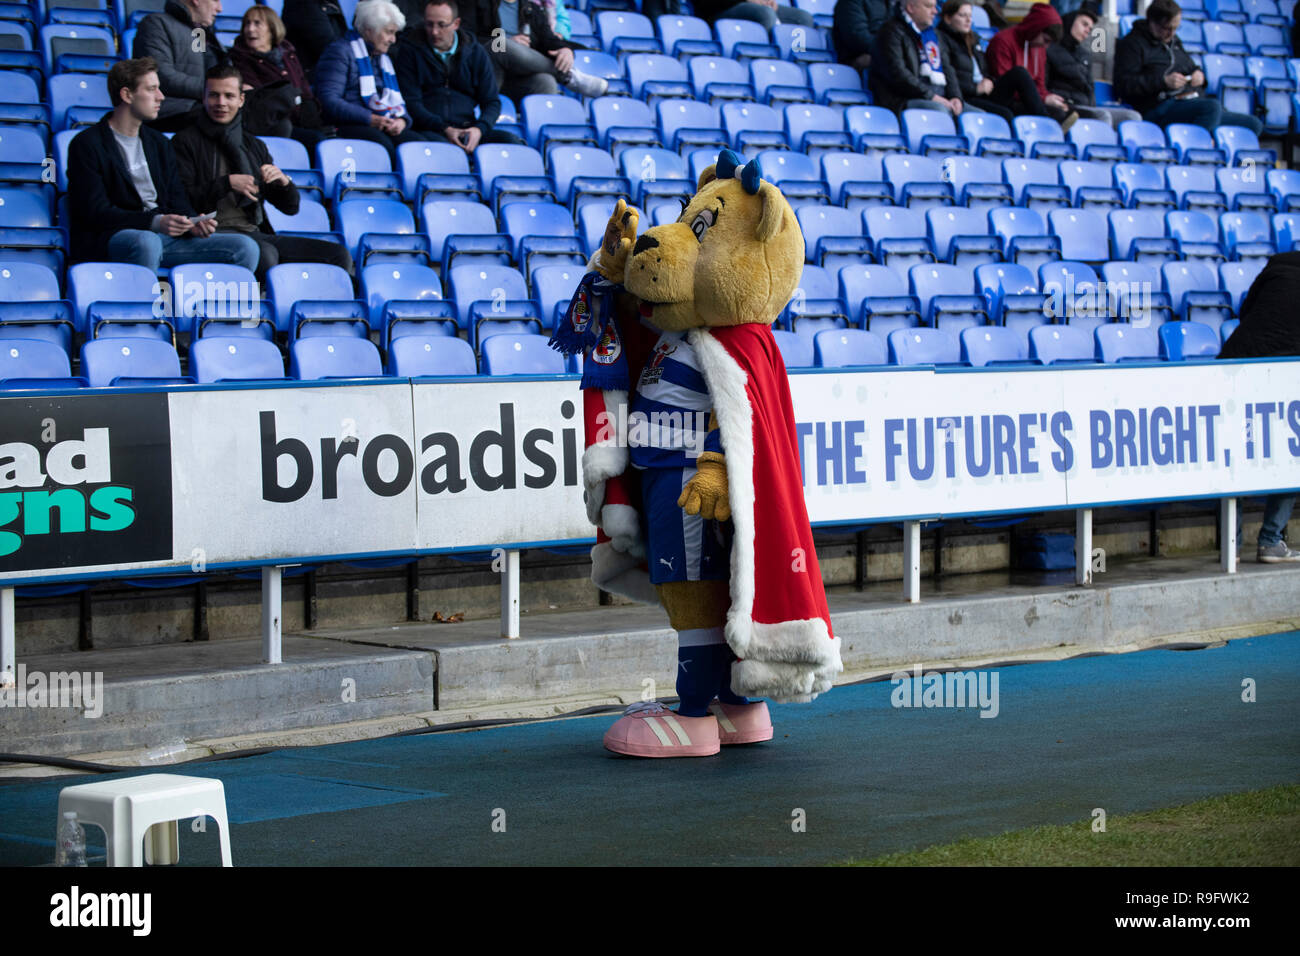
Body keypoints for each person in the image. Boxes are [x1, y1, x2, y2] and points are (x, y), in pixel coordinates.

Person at [66, 58, 260, 273]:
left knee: (245, 247)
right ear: (127, 95)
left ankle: (215, 307)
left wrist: (192, 223)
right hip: (112, 237)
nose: (161, 96)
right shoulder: (87, 144)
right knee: (147, 242)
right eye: (152, 89)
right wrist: (154, 222)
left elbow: (177, 198)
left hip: (162, 238)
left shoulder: (158, 143)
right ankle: (144, 306)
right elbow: (95, 212)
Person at [172, 65, 355, 283]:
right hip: (211, 234)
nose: (221, 102)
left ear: (241, 100)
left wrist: (283, 183)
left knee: (337, 255)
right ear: (203, 98)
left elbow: (290, 207)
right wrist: (227, 183)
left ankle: (323, 315)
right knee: (266, 254)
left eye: (228, 96)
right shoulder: (184, 141)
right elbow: (180, 199)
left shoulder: (253, 145)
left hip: (254, 232)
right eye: (214, 95)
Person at [1218, 252, 1299, 562]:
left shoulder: (1278, 265)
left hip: (1236, 365)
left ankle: (1231, 545)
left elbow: (1245, 311)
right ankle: (1269, 540)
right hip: (1284, 373)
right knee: (1291, 456)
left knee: (1231, 456)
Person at [1113, 0, 1264, 135]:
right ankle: (1197, 147)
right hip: (1158, 107)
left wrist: (1199, 75)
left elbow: (1190, 67)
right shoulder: (1131, 44)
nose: (1171, 33)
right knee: (1211, 108)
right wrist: (1163, 81)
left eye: (1175, 28)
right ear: (1152, 22)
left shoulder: (1174, 42)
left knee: (1253, 124)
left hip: (1189, 101)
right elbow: (1124, 85)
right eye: (1167, 28)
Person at [394, 0, 524, 151]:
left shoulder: (476, 52)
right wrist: (445, 129)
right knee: (443, 149)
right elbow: (412, 103)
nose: (434, 31)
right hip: (429, 130)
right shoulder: (409, 51)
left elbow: (491, 102)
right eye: (429, 24)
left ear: (456, 24)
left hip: (467, 128)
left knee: (511, 142)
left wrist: (479, 129)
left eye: (441, 25)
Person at [314, 0, 431, 163]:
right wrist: (370, 119)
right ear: (369, 30)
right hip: (348, 124)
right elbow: (329, 100)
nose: (393, 40)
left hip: (382, 123)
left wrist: (402, 120)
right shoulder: (340, 52)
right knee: (382, 147)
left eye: (395, 33)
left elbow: (397, 102)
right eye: (389, 32)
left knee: (417, 145)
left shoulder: (383, 59)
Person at [229, 3, 333, 150]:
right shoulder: (239, 58)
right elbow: (260, 99)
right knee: (316, 140)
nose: (250, 29)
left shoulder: (288, 54)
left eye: (257, 23)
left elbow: (304, 90)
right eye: (247, 24)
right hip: (274, 125)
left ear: (272, 28)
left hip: (298, 120)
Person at [459, 0, 608, 101]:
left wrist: (565, 49)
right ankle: (567, 76)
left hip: (514, 79)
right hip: (486, 72)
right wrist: (505, 42)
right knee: (503, 45)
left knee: (546, 81)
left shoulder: (531, 9)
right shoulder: (475, 3)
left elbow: (549, 40)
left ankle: (539, 142)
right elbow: (466, 38)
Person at [132, 0, 228, 132]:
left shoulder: (200, 33)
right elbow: (161, 77)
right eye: (215, 0)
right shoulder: (156, 24)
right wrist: (215, 90)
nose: (220, 8)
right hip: (169, 111)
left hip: (200, 106)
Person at [984, 0, 1078, 129]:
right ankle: (1047, 125)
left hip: (1029, 102)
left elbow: (1039, 84)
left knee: (1070, 111)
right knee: (1020, 73)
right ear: (1035, 28)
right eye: (1045, 40)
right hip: (1005, 99)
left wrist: (1047, 97)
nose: (1045, 46)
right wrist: (1043, 99)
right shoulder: (1003, 41)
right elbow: (1005, 81)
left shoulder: (1039, 49)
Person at [1047, 5, 1142, 129]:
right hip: (1067, 106)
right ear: (1070, 22)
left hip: (1086, 106)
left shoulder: (1085, 55)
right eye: (1084, 24)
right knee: (1102, 116)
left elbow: (1090, 89)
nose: (1087, 30)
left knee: (1133, 117)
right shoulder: (1050, 49)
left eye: (1090, 28)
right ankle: (1102, 149)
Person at [869, 0, 965, 116]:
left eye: (935, 7)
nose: (935, 11)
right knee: (941, 112)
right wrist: (931, 96)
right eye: (928, 6)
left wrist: (955, 97)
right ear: (911, 8)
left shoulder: (934, 35)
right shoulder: (890, 31)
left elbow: (947, 69)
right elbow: (898, 73)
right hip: (903, 100)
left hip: (938, 97)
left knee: (976, 115)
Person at [936, 0, 1014, 123]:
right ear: (948, 18)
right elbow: (950, 77)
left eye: (970, 16)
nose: (968, 20)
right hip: (967, 96)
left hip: (985, 93)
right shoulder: (942, 40)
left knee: (1019, 74)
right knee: (1006, 115)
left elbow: (985, 69)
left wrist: (990, 80)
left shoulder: (974, 38)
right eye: (962, 15)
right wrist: (975, 89)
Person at [282, 0, 349, 74]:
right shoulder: (303, 5)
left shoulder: (328, 2)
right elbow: (330, 48)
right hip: (320, 75)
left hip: (333, 69)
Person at [833, 0, 891, 72]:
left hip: (885, 51)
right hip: (857, 60)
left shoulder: (890, 3)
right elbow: (858, 39)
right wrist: (891, 48)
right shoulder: (849, 2)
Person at [690, 0, 815, 31]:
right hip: (719, 10)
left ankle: (797, 59)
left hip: (751, 7)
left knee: (803, 18)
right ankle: (769, 56)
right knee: (765, 14)